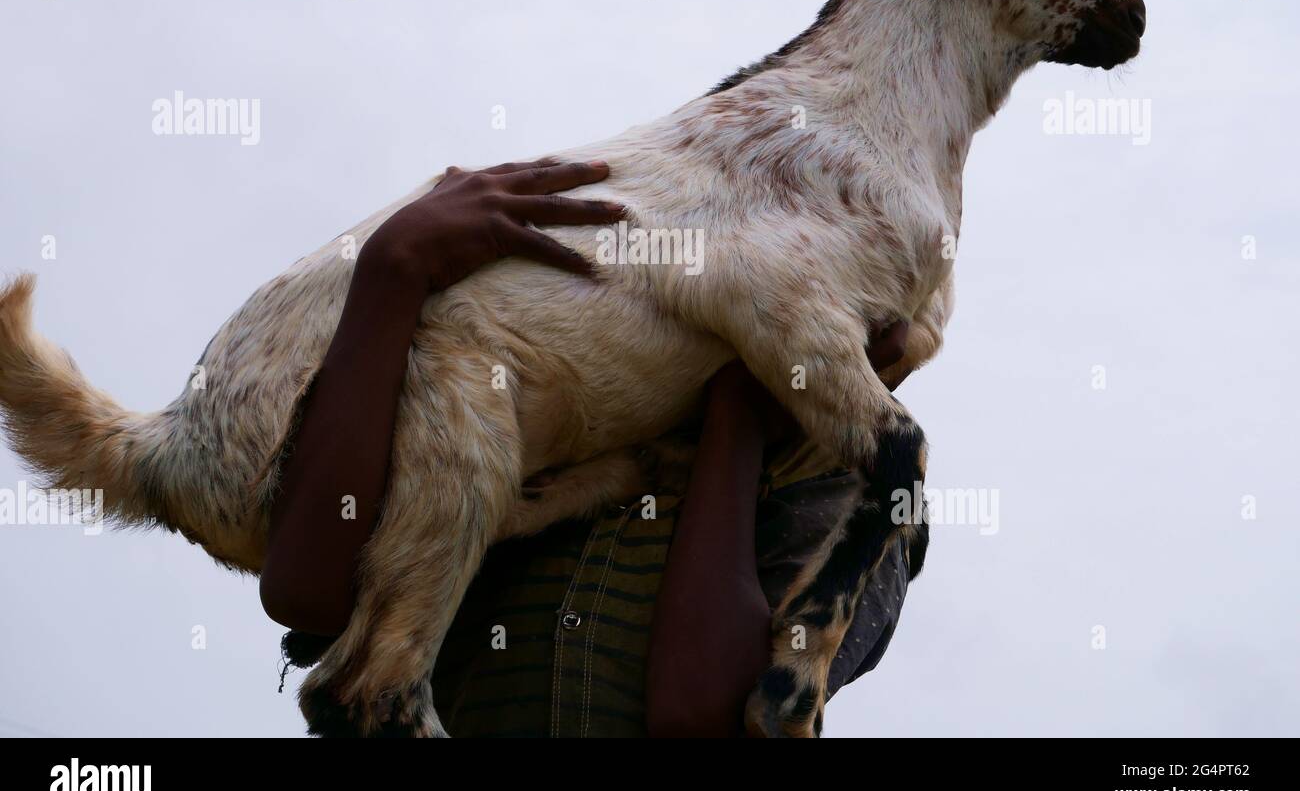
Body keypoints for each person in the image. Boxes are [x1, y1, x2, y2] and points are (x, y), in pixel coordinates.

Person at [260, 159, 920, 738]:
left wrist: (738, 420)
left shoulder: (857, 498)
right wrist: (394, 268)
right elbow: (305, 593)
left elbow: (699, 715)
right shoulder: (540, 401)